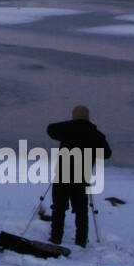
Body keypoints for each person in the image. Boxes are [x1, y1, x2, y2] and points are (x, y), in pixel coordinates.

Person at [46, 105, 112, 248]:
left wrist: (70, 125)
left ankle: (56, 237)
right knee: (81, 210)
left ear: (74, 116)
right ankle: (81, 240)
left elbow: (50, 129)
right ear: (88, 117)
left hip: (63, 175)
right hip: (82, 177)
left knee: (58, 208)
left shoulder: (66, 129)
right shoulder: (96, 135)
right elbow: (107, 154)